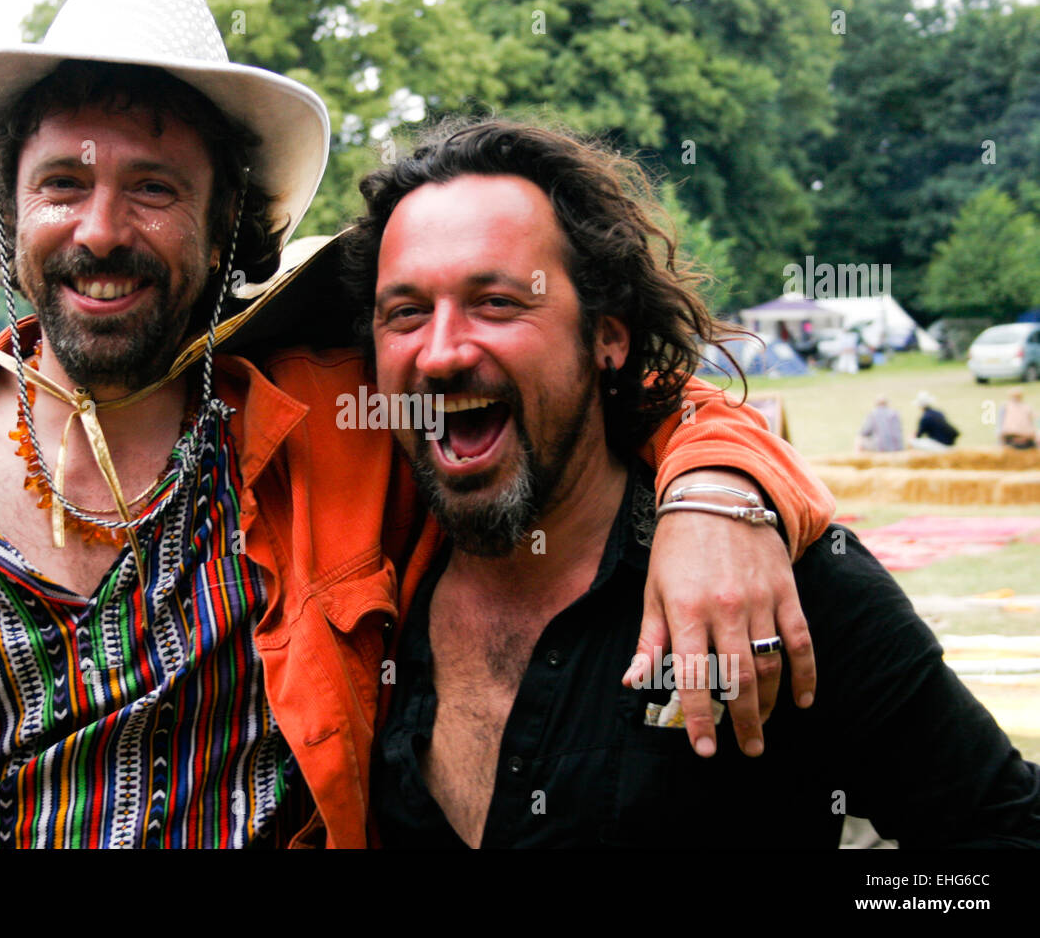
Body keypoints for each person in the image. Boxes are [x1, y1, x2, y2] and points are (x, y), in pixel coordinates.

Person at [0, 0, 834, 849]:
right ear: (6, 207)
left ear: (229, 227)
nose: (101, 229)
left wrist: (717, 493)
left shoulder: (338, 424)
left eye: (155, 187)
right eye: (61, 183)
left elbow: (594, 393)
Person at [355, 119, 1040, 848]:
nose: (439, 353)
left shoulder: (779, 585)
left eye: (496, 302)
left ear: (608, 337)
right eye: (406, 313)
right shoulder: (355, 587)